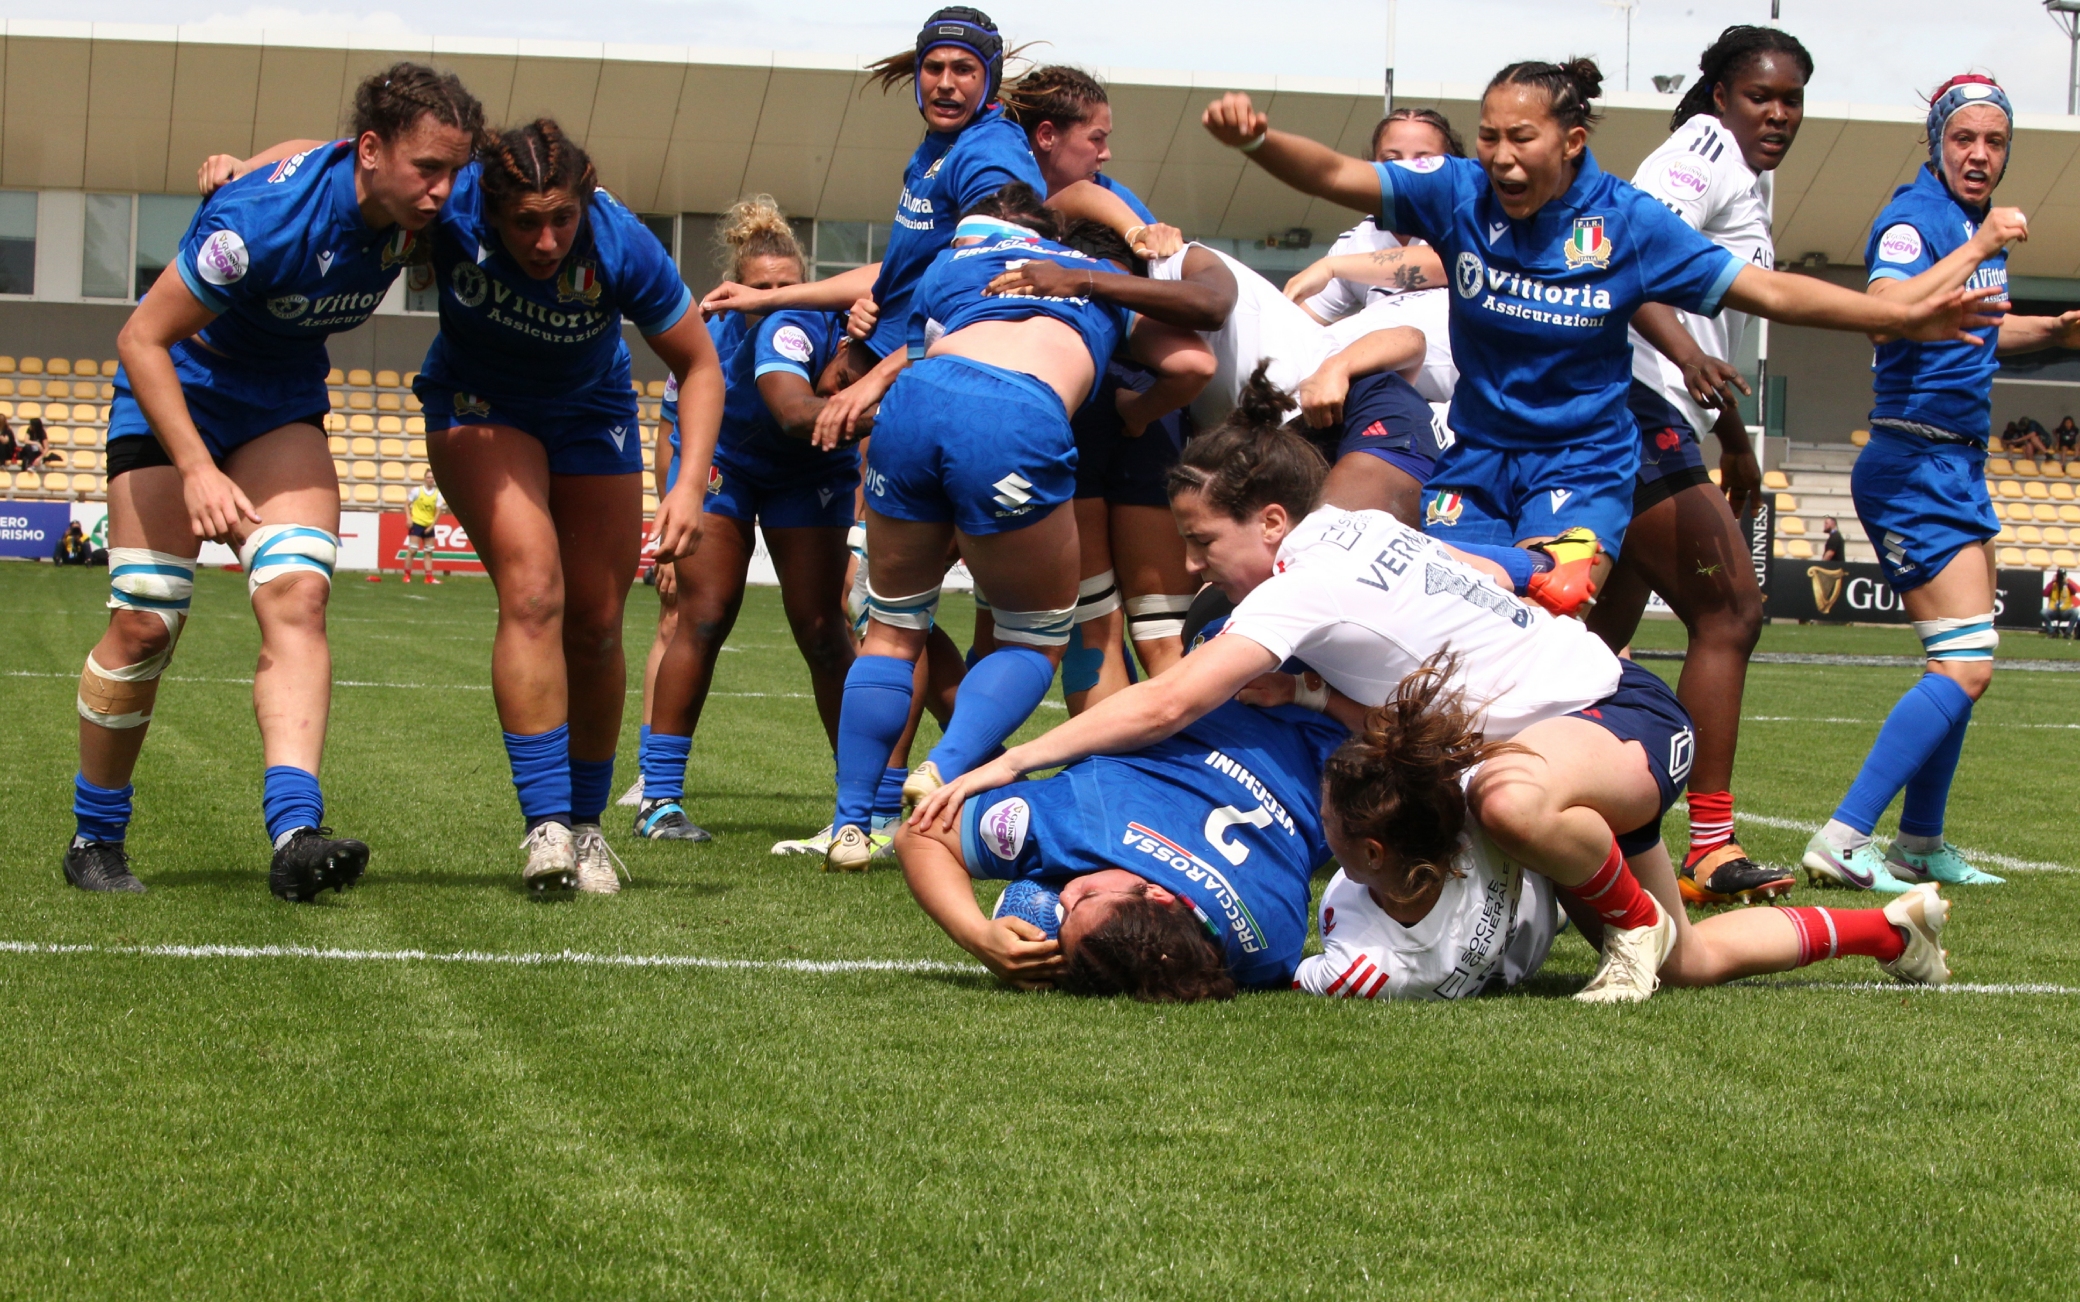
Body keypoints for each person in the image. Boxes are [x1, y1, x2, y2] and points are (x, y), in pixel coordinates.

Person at [915, 374, 1699, 1004]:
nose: (1191, 566)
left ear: (1270, 522)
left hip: (1596, 718)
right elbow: (1480, 573)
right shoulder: (1348, 526)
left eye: (1201, 541)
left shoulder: (1298, 593)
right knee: (1691, 964)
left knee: (1507, 804)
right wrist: (1534, 580)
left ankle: (1632, 932)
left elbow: (1168, 702)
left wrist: (1006, 764)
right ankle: (1813, 928)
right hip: (1580, 712)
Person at [1198, 58, 2002, 619]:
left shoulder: (1628, 223)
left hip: (1580, 465)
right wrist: (1259, 144)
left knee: (1550, 598)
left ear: (1571, 143)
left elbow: (1772, 290)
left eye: (1522, 139)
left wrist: (1895, 315)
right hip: (1476, 461)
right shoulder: (1456, 195)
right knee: (1448, 632)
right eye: (1489, 138)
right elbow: (1340, 175)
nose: (1502, 158)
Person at [62, 64, 482, 899]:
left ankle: (296, 833)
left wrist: (248, 155)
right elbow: (140, 338)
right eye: (427, 170)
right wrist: (195, 469)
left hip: (279, 404)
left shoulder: (408, 205)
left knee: (299, 597)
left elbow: (307, 150)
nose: (443, 191)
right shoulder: (260, 225)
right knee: (146, 626)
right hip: (176, 394)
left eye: (452, 171)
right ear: (372, 151)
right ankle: (94, 837)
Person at [813, 193, 1168, 872]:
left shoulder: (961, 261)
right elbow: (1193, 365)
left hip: (916, 403)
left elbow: (917, 345)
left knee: (891, 626)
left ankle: (851, 825)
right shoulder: (1108, 287)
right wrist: (1135, 410)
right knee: (1033, 635)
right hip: (1016, 413)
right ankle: (944, 767)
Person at [415, 117, 724, 893]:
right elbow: (339, 162)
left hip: (591, 411)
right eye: (526, 222)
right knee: (533, 588)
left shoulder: (621, 243)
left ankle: (587, 829)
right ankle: (545, 825)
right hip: (480, 404)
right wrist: (249, 162)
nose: (547, 241)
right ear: (489, 206)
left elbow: (700, 364)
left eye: (562, 219)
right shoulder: (449, 206)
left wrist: (687, 485)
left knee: (595, 621)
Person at [1801, 75, 2080, 893]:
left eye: (1995, 142)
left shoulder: (1957, 225)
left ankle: (1919, 842)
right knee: (1964, 664)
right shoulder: (1916, 221)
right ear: (1936, 143)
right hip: (1913, 460)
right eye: (1965, 139)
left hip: (1952, 462)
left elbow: (1978, 329)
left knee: (1964, 660)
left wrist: (2059, 332)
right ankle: (1846, 835)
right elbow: (1888, 309)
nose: (1980, 154)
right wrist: (1983, 242)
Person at [1301, 655, 1952, 1001]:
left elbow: (1299, 973)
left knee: (1520, 810)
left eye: (1327, 820)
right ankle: (1889, 931)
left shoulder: (1371, 963)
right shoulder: (1459, 797)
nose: (1319, 822)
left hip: (1610, 738)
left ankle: (1638, 925)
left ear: (1375, 848)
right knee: (1686, 963)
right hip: (1573, 812)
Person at [1560, 27, 1815, 906]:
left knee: (1586, 647)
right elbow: (1628, 257)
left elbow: (1716, 331)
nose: (1777, 114)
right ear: (1719, 97)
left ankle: (1553, 813)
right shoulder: (1702, 149)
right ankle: (1709, 843)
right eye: (1760, 97)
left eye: (1791, 99)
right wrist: (1690, 365)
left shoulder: (1747, 170)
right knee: (1731, 608)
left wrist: (1734, 437)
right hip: (1631, 406)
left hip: (1654, 409)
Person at [635, 197, 859, 843]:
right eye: (760, 287)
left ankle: (859, 802)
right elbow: (672, 427)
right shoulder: (704, 329)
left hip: (811, 472)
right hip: (725, 467)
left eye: (789, 286)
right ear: (736, 287)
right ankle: (660, 800)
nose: (775, 297)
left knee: (822, 631)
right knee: (702, 616)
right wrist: (670, 505)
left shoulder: (843, 321)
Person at [893, 690, 1346, 997]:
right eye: (1083, 898)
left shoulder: (1272, 947)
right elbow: (920, 832)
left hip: (1332, 724)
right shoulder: (1088, 820)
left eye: (1073, 904)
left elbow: (920, 834)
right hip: (1273, 690)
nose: (1065, 892)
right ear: (1157, 894)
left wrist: (977, 936)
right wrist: (975, 934)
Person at [401, 466, 443, 584]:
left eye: (432, 478)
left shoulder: (437, 494)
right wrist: (409, 518)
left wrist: (432, 526)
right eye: (428, 477)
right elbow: (406, 504)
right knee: (413, 550)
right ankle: (407, 575)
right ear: (425, 478)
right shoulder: (417, 491)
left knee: (428, 551)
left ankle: (429, 577)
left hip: (429, 525)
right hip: (417, 523)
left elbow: (438, 511)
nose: (430, 479)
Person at [2043, 568, 2078, 638]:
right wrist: (2052, 582)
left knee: (2075, 612)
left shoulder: (2068, 585)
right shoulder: (2053, 585)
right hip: (2053, 610)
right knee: (2043, 612)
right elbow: (2045, 593)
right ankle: (2051, 632)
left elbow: (2074, 591)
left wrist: (2067, 583)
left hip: (2065, 611)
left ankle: (2068, 633)